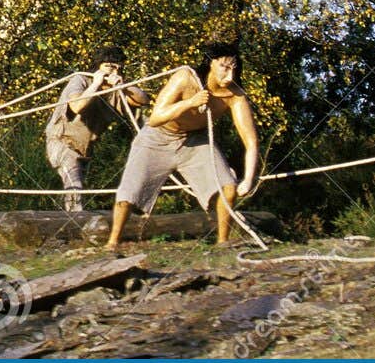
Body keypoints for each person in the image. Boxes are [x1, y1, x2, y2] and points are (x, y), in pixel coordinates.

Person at [106, 41, 259, 247]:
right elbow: (155, 118)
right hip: (156, 138)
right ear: (210, 63)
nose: (229, 75)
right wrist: (190, 103)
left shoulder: (234, 95)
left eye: (233, 68)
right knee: (127, 194)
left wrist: (248, 179)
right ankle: (112, 243)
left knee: (228, 189)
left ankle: (223, 243)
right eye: (224, 67)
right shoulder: (185, 78)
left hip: (195, 140)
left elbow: (250, 141)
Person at [44, 47, 151, 211]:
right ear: (98, 66)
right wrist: (96, 84)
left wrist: (124, 86)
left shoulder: (117, 90)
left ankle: (63, 222)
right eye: (109, 66)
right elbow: (76, 106)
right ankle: (76, 226)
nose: (114, 70)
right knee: (74, 185)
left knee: (76, 189)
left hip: (85, 148)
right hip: (61, 142)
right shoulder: (81, 80)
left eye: (118, 67)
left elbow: (143, 100)